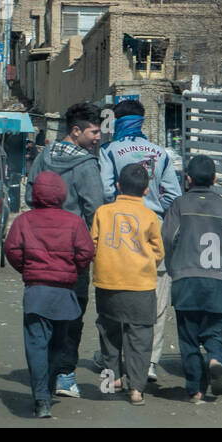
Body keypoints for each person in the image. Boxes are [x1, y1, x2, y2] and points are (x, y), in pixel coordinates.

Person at [98, 98, 183, 383]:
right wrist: (153, 210)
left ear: (116, 122)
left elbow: (106, 190)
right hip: (153, 232)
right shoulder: (161, 153)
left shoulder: (109, 150)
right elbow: (173, 195)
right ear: (141, 121)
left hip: (118, 232)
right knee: (156, 303)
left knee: (116, 296)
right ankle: (147, 364)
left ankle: (117, 361)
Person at [27, 102, 105, 399]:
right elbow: (95, 211)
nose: (98, 137)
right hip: (73, 256)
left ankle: (43, 371)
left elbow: (29, 195)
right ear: (76, 131)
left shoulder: (44, 156)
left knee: (41, 312)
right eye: (94, 131)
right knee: (72, 313)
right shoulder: (87, 165)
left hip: (41, 251)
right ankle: (65, 375)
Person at [5, 172, 95, 419]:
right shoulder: (75, 222)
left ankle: (42, 398)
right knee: (58, 346)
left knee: (36, 346)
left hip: (36, 292)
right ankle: (48, 390)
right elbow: (86, 252)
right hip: (64, 294)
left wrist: (27, 268)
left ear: (36, 194)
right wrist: (72, 269)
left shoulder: (24, 221)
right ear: (62, 194)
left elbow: (11, 249)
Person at [162, 155, 222, 404]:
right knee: (214, 332)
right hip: (215, 281)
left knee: (188, 338)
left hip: (185, 280)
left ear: (187, 178)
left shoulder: (179, 205)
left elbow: (167, 238)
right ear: (215, 179)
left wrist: (173, 266)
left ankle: (196, 390)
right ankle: (216, 358)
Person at [91, 162, 164, 406]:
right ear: (146, 190)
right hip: (141, 286)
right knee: (140, 338)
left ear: (118, 186)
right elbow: (158, 251)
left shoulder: (102, 212)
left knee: (110, 334)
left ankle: (111, 380)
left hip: (107, 283)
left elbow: (93, 244)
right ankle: (136, 390)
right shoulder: (150, 216)